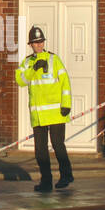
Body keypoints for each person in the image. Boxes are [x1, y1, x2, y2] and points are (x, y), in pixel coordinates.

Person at [15, 25, 73, 192]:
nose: (38, 45)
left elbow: (65, 83)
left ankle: (66, 175)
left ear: (44, 42)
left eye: (41, 42)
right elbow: (20, 81)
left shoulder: (54, 60)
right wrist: (34, 69)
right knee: (40, 151)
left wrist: (66, 104)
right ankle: (46, 181)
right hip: (38, 114)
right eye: (35, 42)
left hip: (56, 111)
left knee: (58, 145)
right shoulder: (27, 62)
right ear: (30, 44)